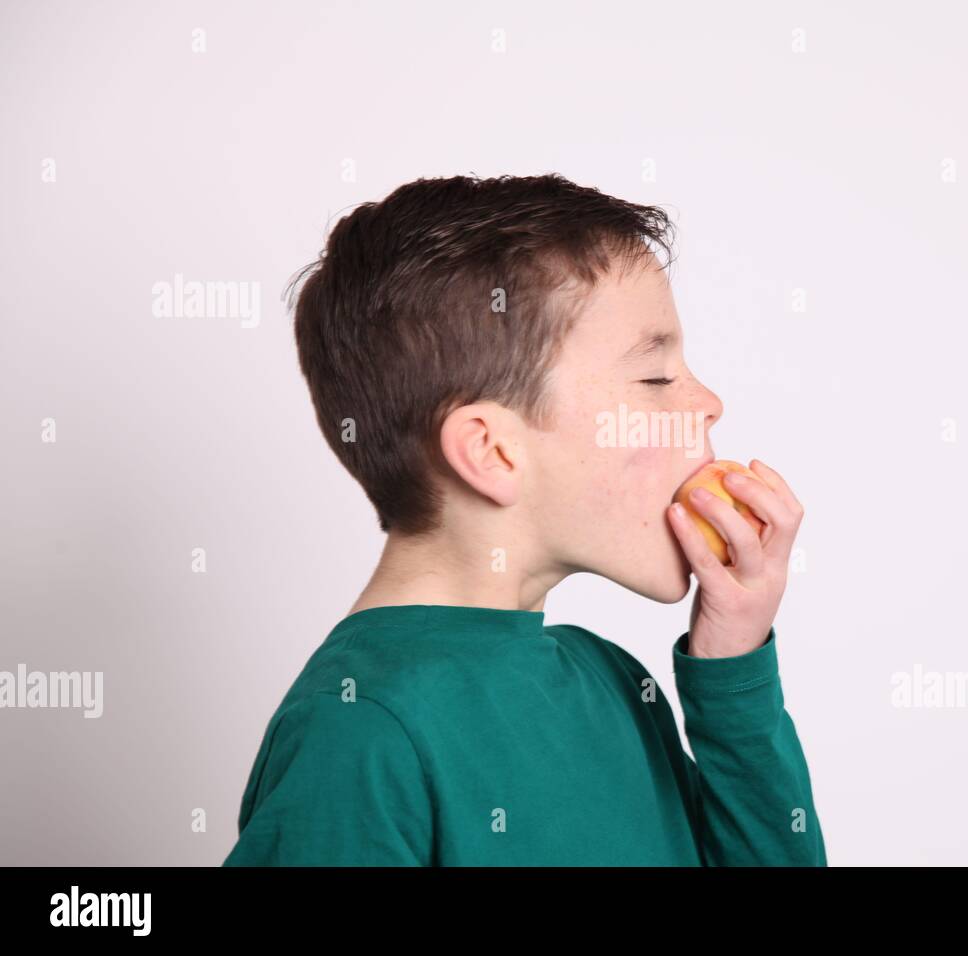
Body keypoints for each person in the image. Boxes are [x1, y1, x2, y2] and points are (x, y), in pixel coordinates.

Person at [222, 174, 825, 866]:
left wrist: (735, 668)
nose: (710, 402)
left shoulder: (617, 685)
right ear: (493, 451)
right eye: (655, 378)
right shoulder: (360, 733)